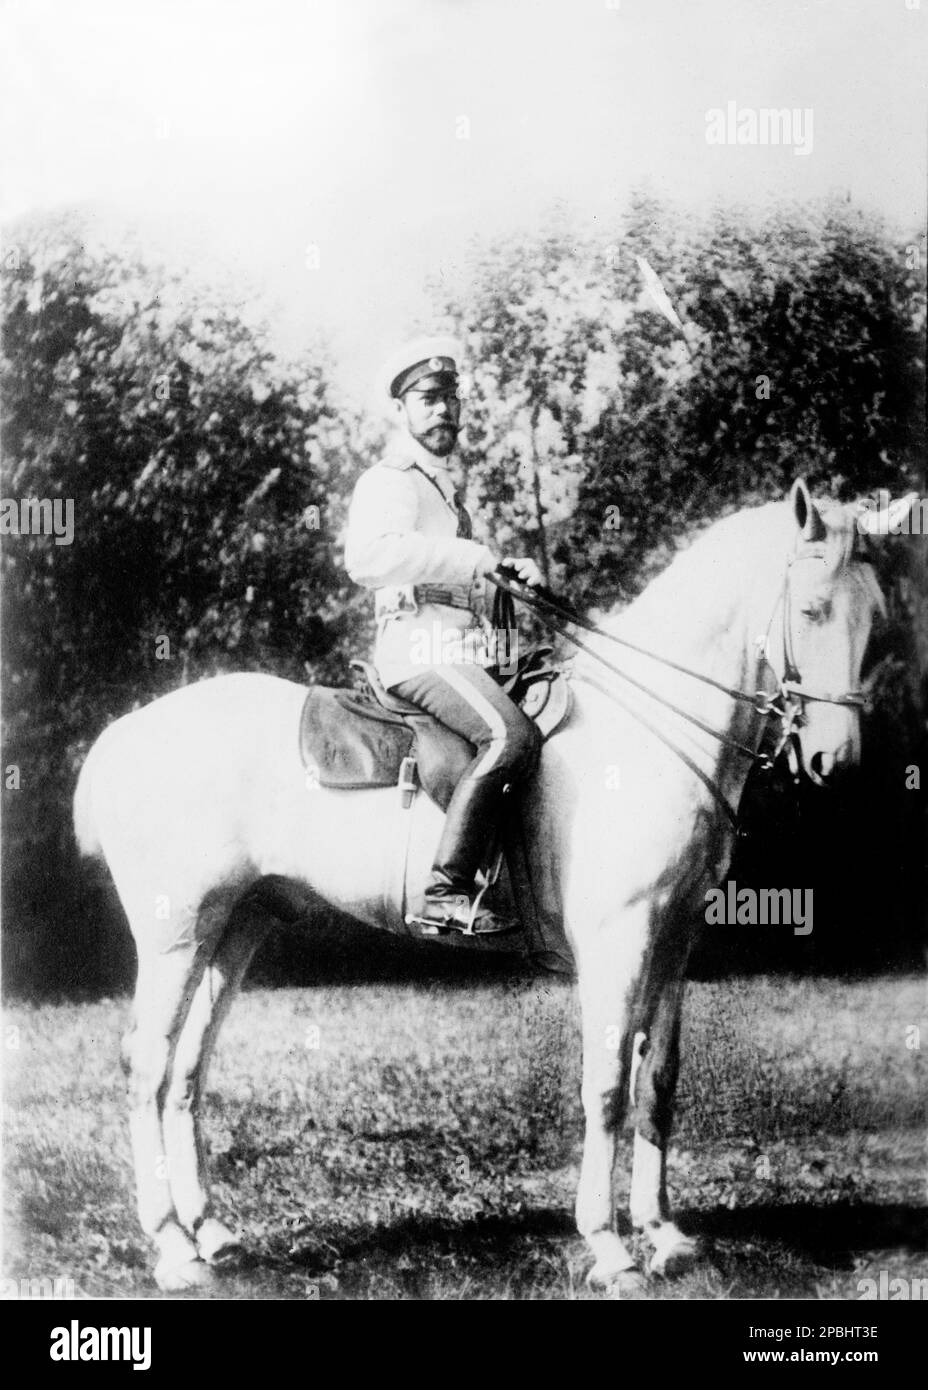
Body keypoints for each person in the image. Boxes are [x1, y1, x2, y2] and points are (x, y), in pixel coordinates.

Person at [344, 336, 543, 934]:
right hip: (417, 647)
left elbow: (454, 580)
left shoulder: (440, 490)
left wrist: (504, 576)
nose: (443, 411)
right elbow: (370, 558)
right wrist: (472, 557)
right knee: (511, 737)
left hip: (458, 646)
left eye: (450, 399)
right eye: (428, 399)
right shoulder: (390, 479)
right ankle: (446, 889)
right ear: (400, 410)